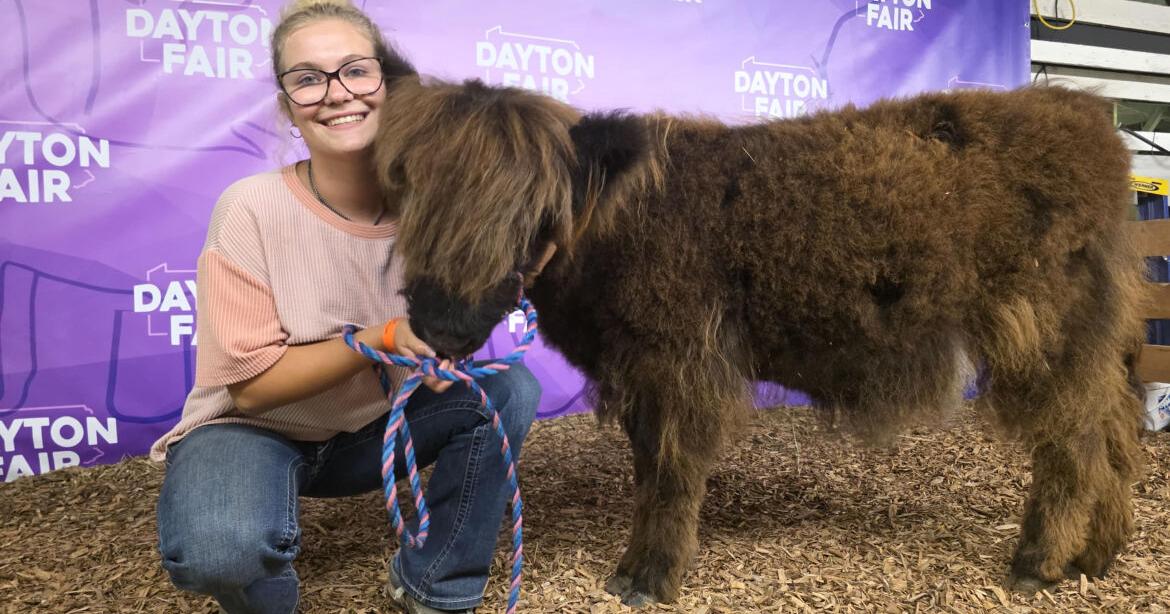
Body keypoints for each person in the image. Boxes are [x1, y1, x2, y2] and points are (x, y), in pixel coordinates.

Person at [151, 2, 541, 612]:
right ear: (288, 106)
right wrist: (382, 336)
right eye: (307, 78)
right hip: (251, 430)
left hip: (373, 430)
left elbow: (460, 323)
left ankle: (438, 585)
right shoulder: (250, 207)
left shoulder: (435, 211)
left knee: (508, 389)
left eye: (356, 71)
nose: (336, 94)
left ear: (388, 86)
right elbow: (251, 392)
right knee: (220, 549)